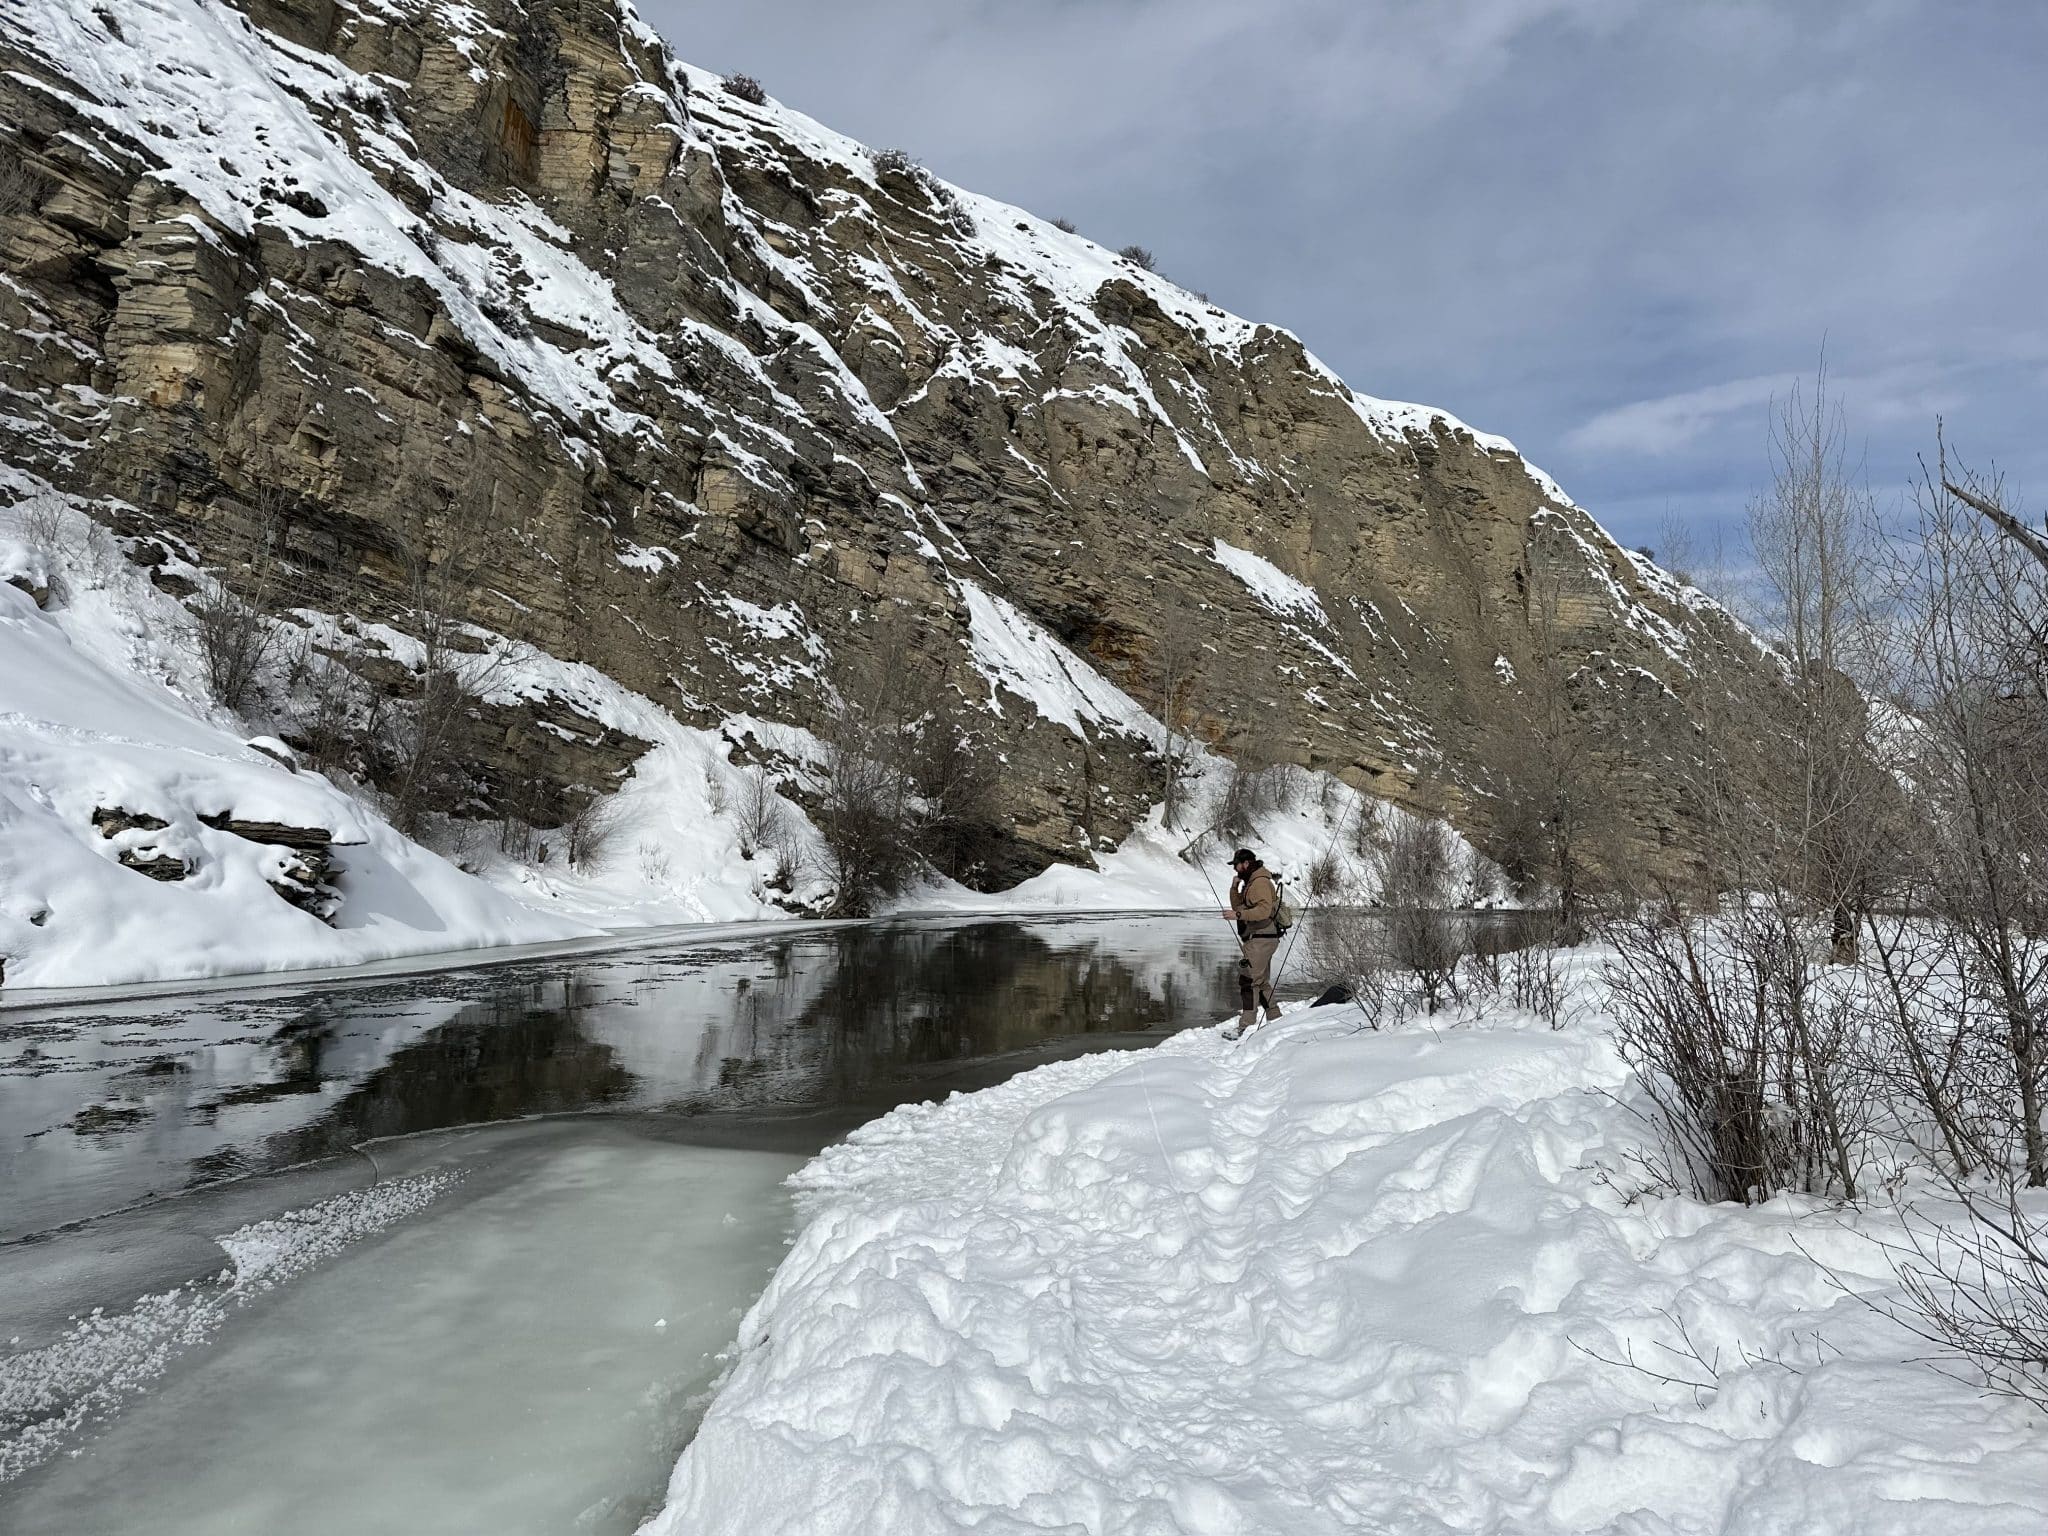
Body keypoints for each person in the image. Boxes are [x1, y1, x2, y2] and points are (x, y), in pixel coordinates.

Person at [1221, 847, 1284, 1040]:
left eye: (1237, 865)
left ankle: (1245, 1026)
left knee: (1248, 979)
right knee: (1260, 980)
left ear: (1246, 864)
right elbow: (1238, 906)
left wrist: (1239, 915)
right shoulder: (1252, 881)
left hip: (1262, 938)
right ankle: (1276, 1018)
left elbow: (1263, 911)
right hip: (1259, 939)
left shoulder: (1260, 883)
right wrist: (1234, 888)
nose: (1236, 869)